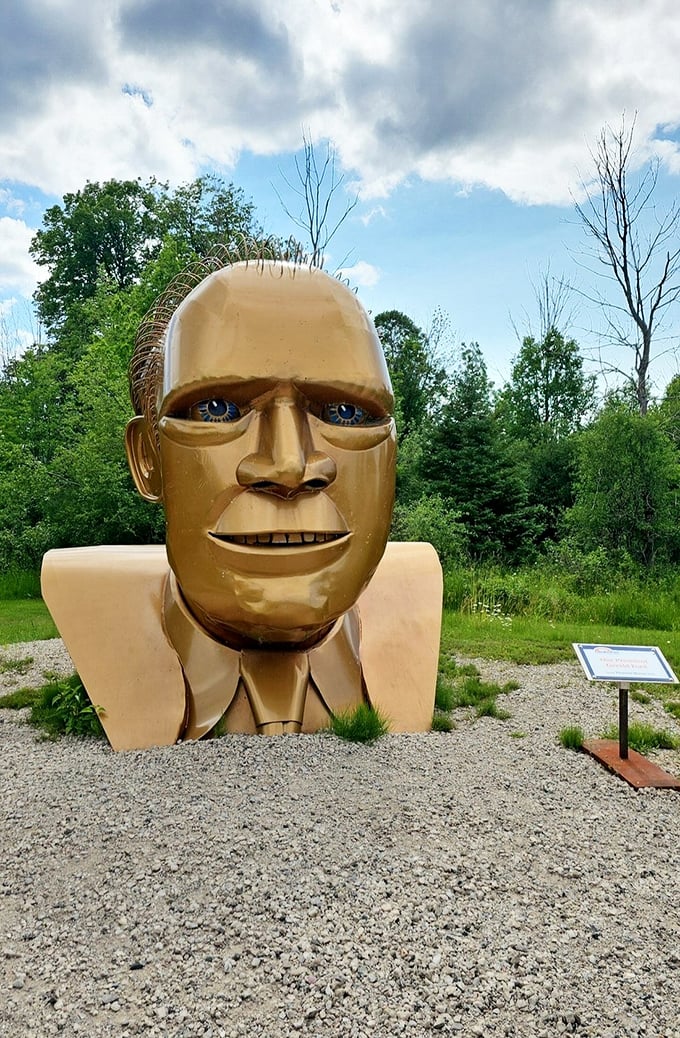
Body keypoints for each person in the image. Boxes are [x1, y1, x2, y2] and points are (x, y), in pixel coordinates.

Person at [41, 251, 442, 750]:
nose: (289, 467)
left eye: (344, 411)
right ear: (148, 459)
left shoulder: (418, 599)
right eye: (216, 409)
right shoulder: (85, 609)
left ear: (391, 459)